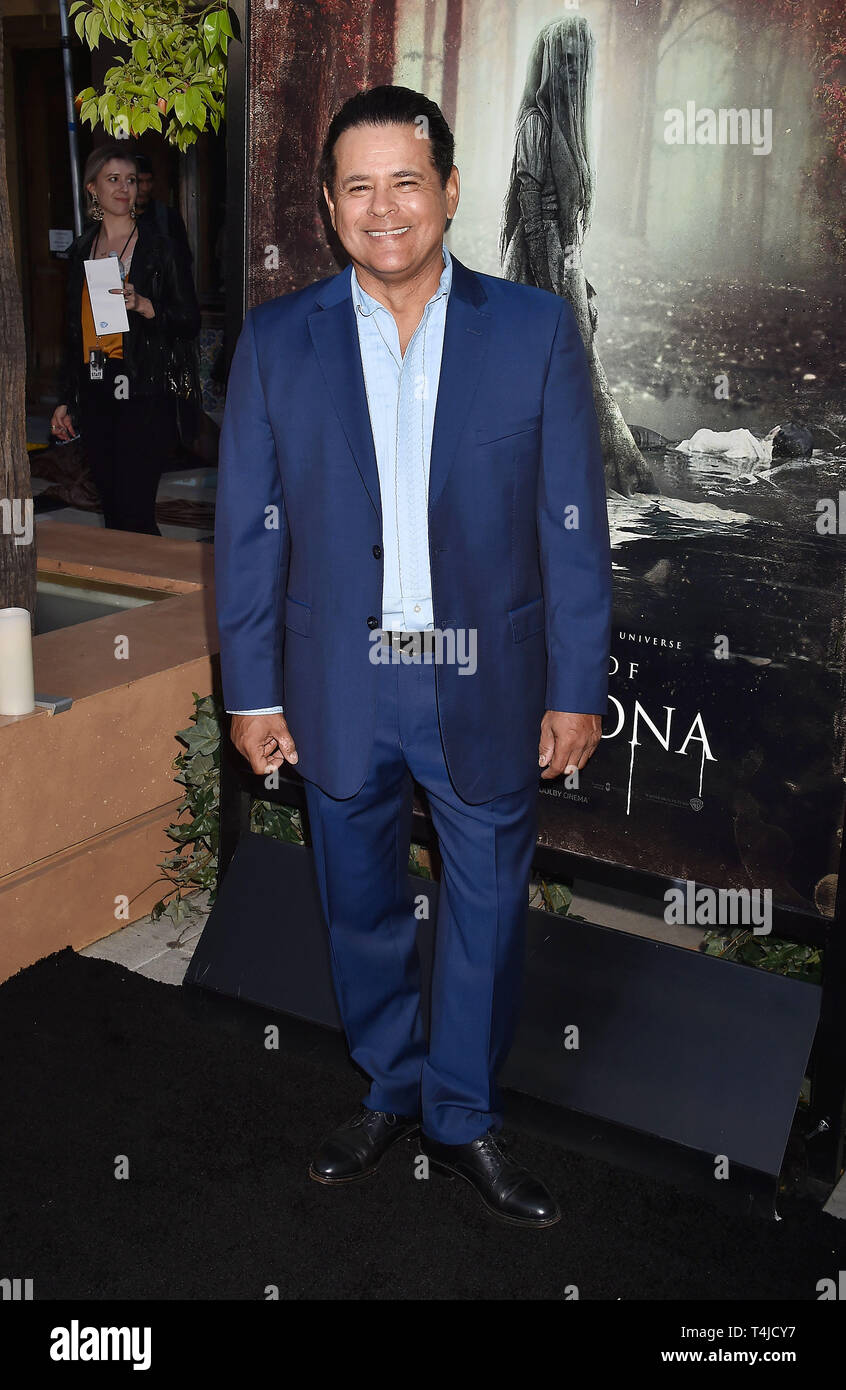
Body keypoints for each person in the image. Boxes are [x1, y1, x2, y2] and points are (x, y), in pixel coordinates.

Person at [214, 85, 612, 1229]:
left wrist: (577, 687)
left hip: (480, 671)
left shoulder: (534, 329)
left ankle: (464, 1112)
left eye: (406, 180)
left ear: (447, 190)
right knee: (360, 904)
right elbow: (246, 533)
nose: (384, 207)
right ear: (332, 207)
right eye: (357, 186)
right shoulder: (278, 341)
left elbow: (570, 527)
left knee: (486, 911)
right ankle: (389, 1083)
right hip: (341, 678)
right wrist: (251, 692)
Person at [51, 143, 200, 534]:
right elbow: (73, 331)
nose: (123, 189)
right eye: (112, 180)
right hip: (97, 385)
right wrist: (67, 399)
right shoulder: (83, 249)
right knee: (113, 507)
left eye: (130, 180)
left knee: (135, 508)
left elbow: (189, 320)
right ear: (92, 189)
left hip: (144, 390)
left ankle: (152, 586)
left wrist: (146, 305)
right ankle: (129, 591)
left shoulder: (160, 248)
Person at [132, 153, 194, 268]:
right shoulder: (117, 219)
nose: (145, 188)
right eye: (139, 182)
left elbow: (183, 262)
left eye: (148, 181)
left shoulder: (168, 217)